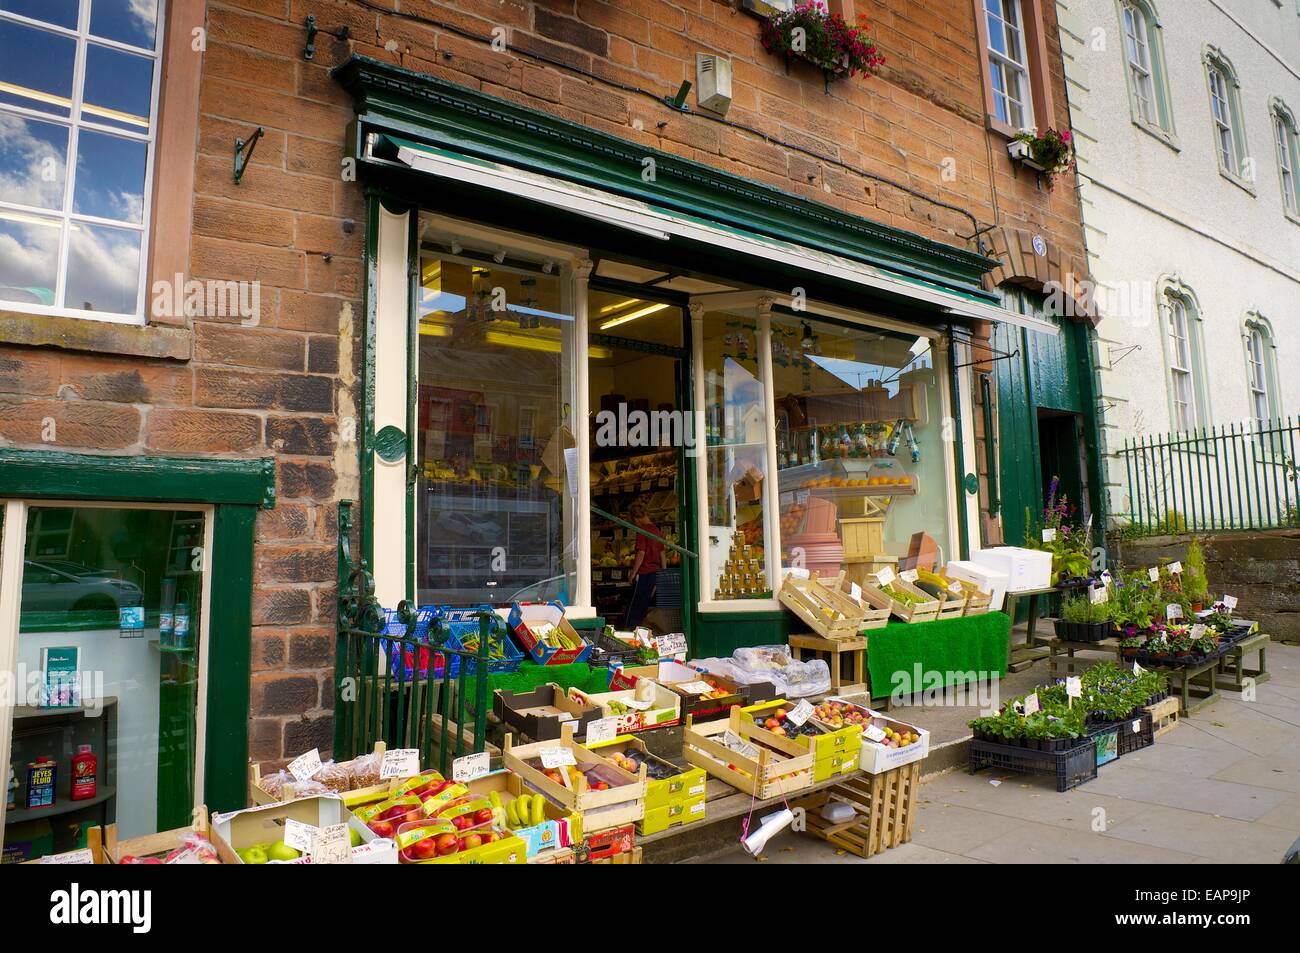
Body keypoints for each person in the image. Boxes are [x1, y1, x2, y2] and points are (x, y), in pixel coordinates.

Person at [624, 501, 663, 628]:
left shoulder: (642, 531)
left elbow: (641, 553)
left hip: (644, 573)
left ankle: (630, 632)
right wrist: (662, 574)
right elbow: (662, 553)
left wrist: (633, 574)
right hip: (654, 573)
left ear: (636, 518)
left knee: (635, 607)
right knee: (644, 605)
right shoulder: (657, 530)